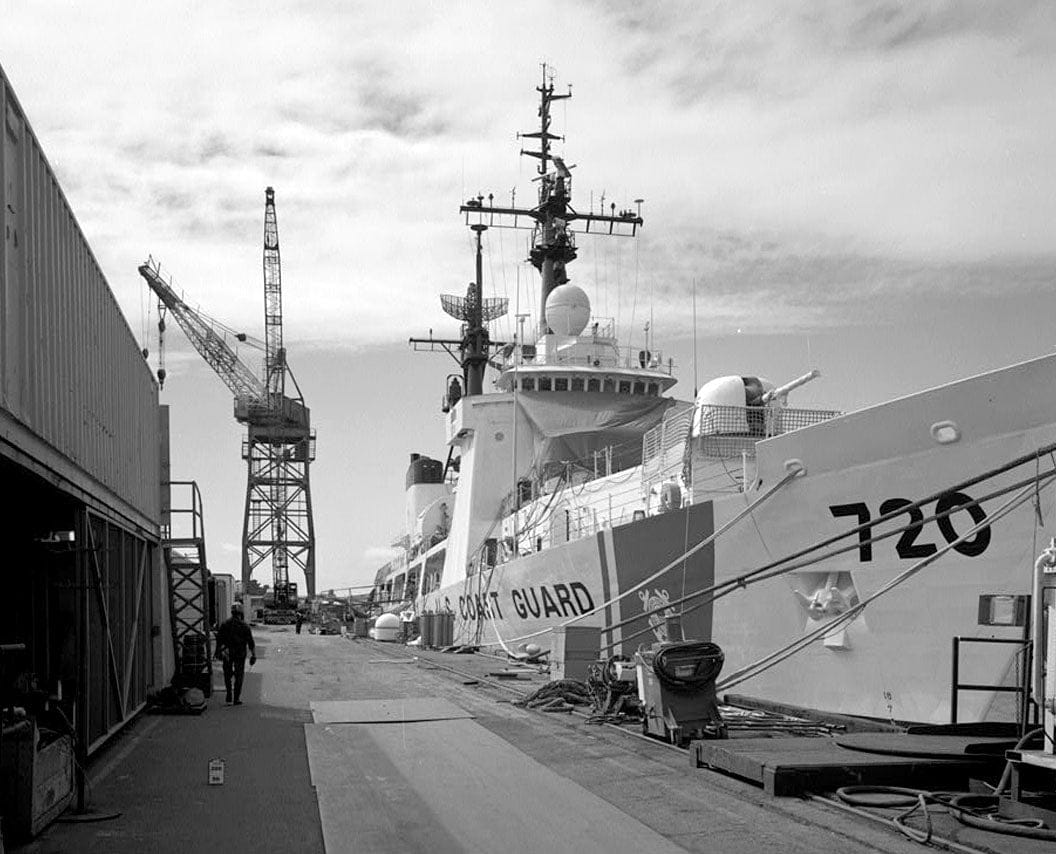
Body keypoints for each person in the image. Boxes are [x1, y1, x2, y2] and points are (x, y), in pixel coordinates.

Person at [214, 602, 256, 705]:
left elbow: (219, 640)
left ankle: (229, 696)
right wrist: (253, 655)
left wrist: (217, 652)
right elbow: (251, 642)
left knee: (227, 675)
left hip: (227, 653)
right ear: (241, 613)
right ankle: (236, 698)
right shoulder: (245, 626)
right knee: (239, 676)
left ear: (232, 612)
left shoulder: (224, 624)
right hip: (240, 654)